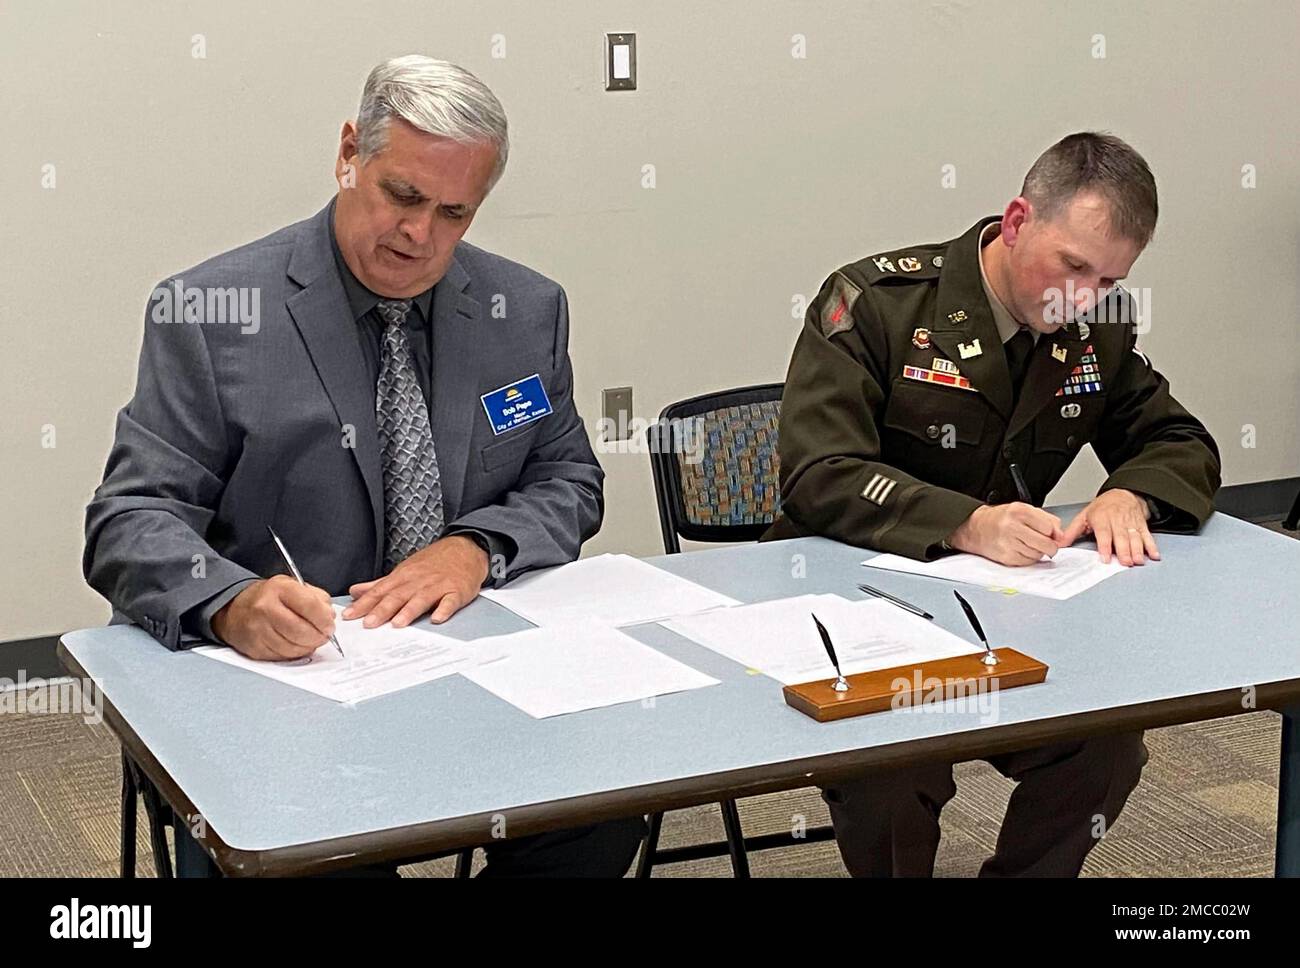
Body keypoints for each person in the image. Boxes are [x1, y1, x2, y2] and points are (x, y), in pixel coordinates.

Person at [83, 54, 644, 878]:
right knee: (313, 856)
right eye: (403, 196)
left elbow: (568, 477)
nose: (420, 235)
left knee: (607, 803)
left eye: (455, 212)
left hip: (472, 669)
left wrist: (477, 546)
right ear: (349, 152)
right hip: (290, 694)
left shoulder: (522, 310)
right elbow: (128, 520)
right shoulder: (212, 314)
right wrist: (232, 603)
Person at [766, 132, 1221, 876]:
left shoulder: (1094, 329)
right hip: (855, 606)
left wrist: (1130, 492)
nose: (1083, 295)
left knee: (1105, 748)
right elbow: (818, 473)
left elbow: (1178, 438)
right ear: (1016, 222)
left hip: (1004, 609)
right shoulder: (877, 303)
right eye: (1072, 266)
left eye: (1107, 280)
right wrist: (965, 522)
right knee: (892, 771)